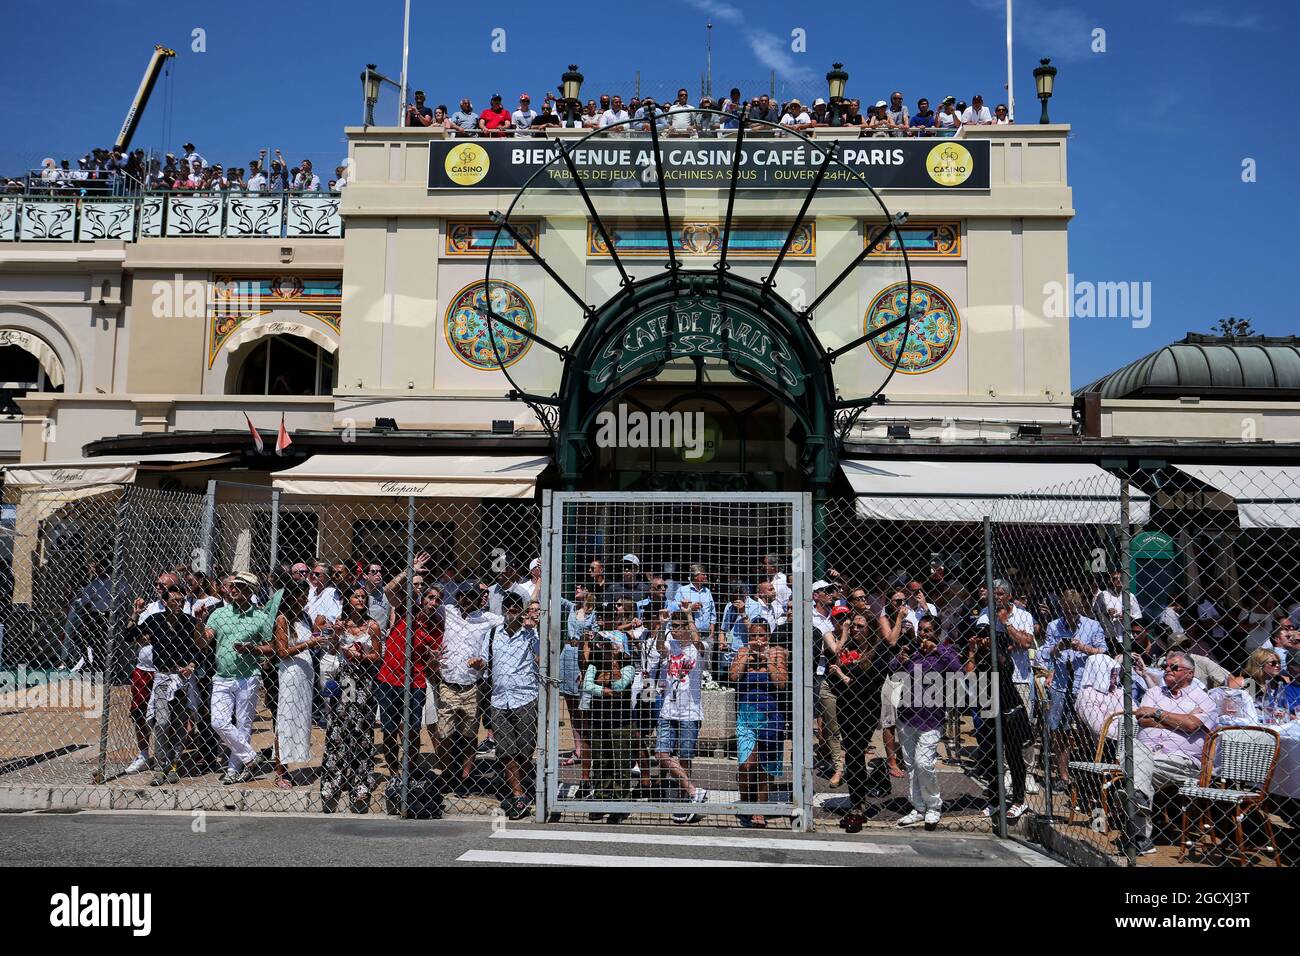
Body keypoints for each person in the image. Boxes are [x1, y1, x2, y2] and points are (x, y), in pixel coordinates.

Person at [1128, 650, 1219, 854]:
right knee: (1137, 755)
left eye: (1174, 667)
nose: (1167, 670)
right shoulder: (1154, 692)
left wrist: (1158, 713)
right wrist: (1181, 719)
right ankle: (1139, 803)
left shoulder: (1204, 699)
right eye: (1165, 667)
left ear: (1190, 673)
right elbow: (1143, 719)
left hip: (1182, 761)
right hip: (1148, 753)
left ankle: (1138, 826)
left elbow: (1191, 725)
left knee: (1134, 769)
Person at [200, 573, 274, 784]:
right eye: (232, 586)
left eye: (239, 587)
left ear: (250, 591)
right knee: (218, 721)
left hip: (248, 676)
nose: (233, 589)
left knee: (243, 725)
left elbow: (271, 648)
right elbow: (204, 641)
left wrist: (253, 649)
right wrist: (198, 623)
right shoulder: (218, 614)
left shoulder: (260, 617)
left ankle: (234, 768)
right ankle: (251, 757)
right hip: (222, 677)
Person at [970, 580, 1035, 819]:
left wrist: (1005, 623)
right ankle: (997, 797)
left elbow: (1025, 643)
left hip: (1017, 681)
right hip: (990, 684)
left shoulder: (1023, 615)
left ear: (1008, 595)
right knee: (992, 746)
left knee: (1018, 744)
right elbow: (981, 643)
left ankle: (1020, 792)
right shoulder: (985, 614)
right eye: (992, 593)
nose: (995, 597)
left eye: (999, 594)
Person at [892, 617, 963, 829]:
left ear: (937, 633)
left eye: (929, 631)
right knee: (911, 765)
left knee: (924, 763)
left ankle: (933, 806)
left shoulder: (944, 653)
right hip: (907, 716)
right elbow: (893, 669)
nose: (924, 634)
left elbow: (957, 670)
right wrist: (901, 659)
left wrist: (937, 650)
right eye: (921, 630)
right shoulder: (912, 651)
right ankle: (918, 806)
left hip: (932, 718)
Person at [319, 586, 382, 812]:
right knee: (338, 729)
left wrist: (361, 655)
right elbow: (333, 650)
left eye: (364, 597)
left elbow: (378, 655)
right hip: (345, 680)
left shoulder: (372, 626)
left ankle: (360, 784)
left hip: (364, 680)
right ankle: (332, 782)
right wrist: (336, 634)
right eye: (357, 596)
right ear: (349, 600)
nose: (361, 599)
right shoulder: (342, 623)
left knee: (362, 731)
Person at [133, 584, 203, 786]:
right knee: (162, 722)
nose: (179, 604)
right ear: (165, 602)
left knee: (180, 724)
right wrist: (135, 615)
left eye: (181, 601)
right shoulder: (156, 620)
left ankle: (173, 764)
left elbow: (200, 648)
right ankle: (160, 766)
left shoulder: (188, 622)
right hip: (163, 677)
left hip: (181, 679)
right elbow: (130, 636)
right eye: (174, 600)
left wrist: (191, 665)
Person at [1038, 590, 1107, 786]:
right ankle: (1064, 776)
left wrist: (1084, 648)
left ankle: (1089, 773)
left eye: (1073, 613)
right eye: (1066, 613)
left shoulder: (1092, 626)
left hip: (1085, 684)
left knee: (1088, 730)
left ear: (1080, 610)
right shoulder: (1054, 626)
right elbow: (1043, 654)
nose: (1069, 618)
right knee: (1060, 730)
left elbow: (1103, 651)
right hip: (1061, 684)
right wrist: (1056, 648)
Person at [437, 584, 499, 794]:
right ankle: (447, 773)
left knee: (469, 734)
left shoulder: (486, 619)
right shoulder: (448, 612)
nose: (468, 600)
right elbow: (425, 604)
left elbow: (511, 618)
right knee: (444, 733)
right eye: (465, 595)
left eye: (474, 596)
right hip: (448, 683)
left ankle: (465, 775)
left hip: (472, 685)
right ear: (459, 596)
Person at [375, 586, 442, 779]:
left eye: (437, 600)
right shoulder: (408, 610)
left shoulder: (436, 625)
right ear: (423, 599)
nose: (433, 603)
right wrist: (411, 571)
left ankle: (409, 772)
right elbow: (388, 591)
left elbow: (432, 663)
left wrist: (434, 658)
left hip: (415, 683)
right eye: (430, 597)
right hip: (389, 679)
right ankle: (394, 770)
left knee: (413, 730)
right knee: (389, 729)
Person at [486, 593, 540, 820]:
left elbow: (542, 655)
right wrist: (478, 663)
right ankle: (518, 795)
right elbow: (482, 659)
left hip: (525, 697)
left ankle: (525, 780)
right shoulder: (492, 634)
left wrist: (535, 627)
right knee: (507, 751)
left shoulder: (530, 635)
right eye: (507, 605)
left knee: (525, 748)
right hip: (499, 698)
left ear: (523, 609)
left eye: (516, 606)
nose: (511, 609)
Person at [836, 613, 891, 833]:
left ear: (870, 629)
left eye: (861, 626)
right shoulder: (847, 647)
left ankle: (859, 806)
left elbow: (868, 683)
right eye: (854, 626)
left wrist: (844, 677)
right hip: (845, 707)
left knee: (857, 751)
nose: (856, 629)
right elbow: (834, 674)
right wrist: (843, 677)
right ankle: (856, 801)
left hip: (865, 708)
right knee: (851, 753)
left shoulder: (878, 651)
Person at [730, 618, 788, 827]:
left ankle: (760, 809)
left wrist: (766, 659)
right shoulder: (743, 652)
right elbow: (734, 676)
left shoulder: (777, 653)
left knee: (765, 766)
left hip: (770, 717)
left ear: (768, 636)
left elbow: (781, 682)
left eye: (761, 635)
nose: (757, 639)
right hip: (746, 716)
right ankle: (746, 803)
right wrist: (748, 657)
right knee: (747, 765)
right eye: (753, 635)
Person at [656, 609, 710, 822]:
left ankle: (685, 800)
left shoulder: (701, 648)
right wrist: (662, 625)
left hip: (690, 711)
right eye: (674, 626)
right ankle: (694, 791)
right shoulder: (671, 645)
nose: (675, 630)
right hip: (669, 710)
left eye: (679, 626)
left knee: (685, 759)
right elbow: (660, 647)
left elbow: (697, 642)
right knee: (662, 754)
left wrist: (689, 616)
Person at [584, 636, 636, 823]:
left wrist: (613, 663)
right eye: (603, 646)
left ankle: (620, 803)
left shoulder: (628, 663)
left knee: (620, 762)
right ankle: (600, 799)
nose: (604, 649)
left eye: (609, 646)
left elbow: (620, 685)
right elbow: (587, 685)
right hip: (599, 719)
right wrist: (602, 691)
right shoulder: (595, 663)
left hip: (620, 721)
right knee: (600, 761)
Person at [271, 580, 317, 788]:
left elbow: (313, 637)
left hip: (305, 677)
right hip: (290, 675)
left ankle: (288, 766)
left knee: (298, 720)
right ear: (290, 596)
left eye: (306, 595)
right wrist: (310, 643)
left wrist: (319, 635)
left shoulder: (304, 617)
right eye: (300, 595)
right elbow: (282, 652)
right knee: (285, 721)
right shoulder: (282, 619)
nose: (304, 599)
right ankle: (280, 771)